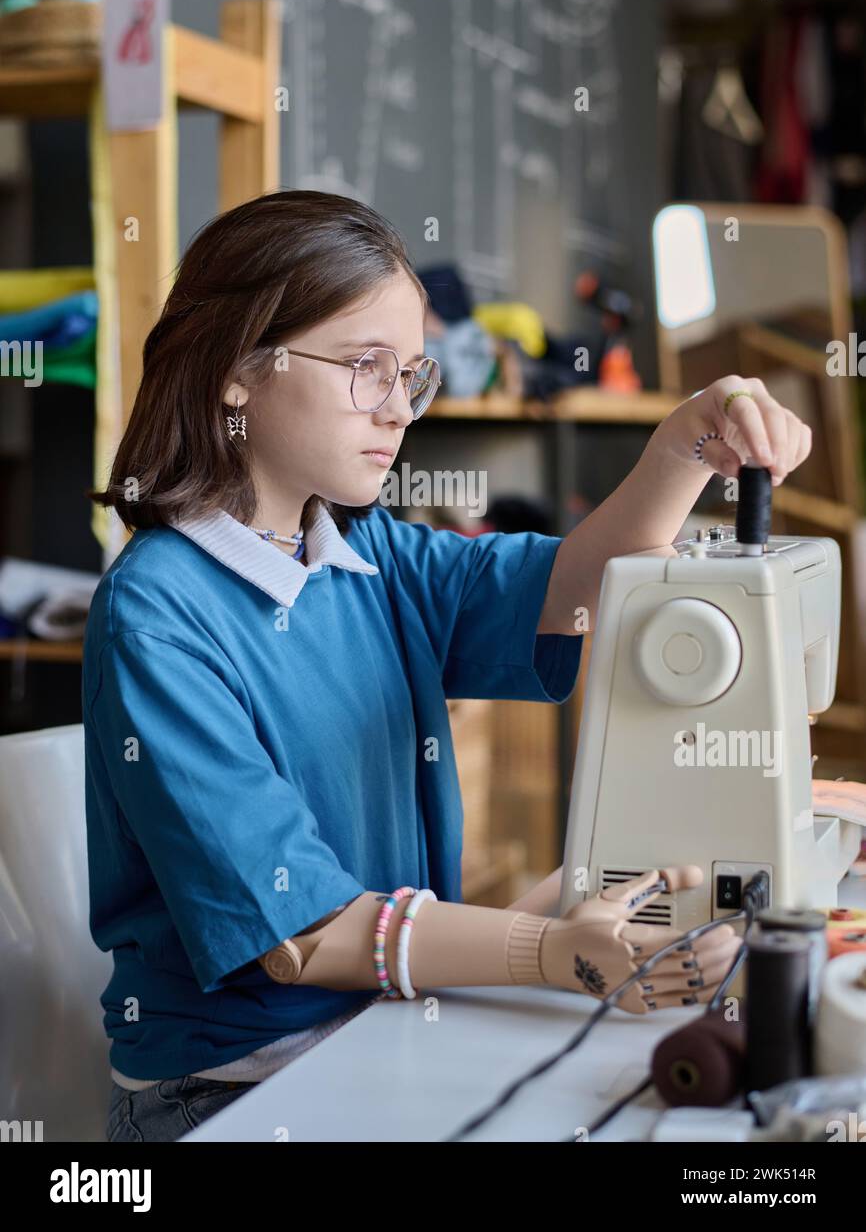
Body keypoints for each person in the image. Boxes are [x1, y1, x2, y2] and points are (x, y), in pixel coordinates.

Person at [85, 190, 811, 1142]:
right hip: (230, 1096)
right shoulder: (158, 613)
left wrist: (685, 447)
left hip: (381, 1033)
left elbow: (575, 590)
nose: (399, 411)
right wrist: (546, 950)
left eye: (411, 376)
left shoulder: (365, 553)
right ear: (236, 370)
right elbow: (302, 938)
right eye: (364, 368)